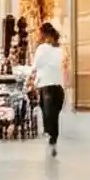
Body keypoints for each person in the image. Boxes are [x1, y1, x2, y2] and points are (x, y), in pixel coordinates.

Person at [31, 22, 69, 157]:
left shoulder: (41, 49)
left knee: (47, 114)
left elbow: (35, 66)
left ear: (44, 34)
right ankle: (53, 139)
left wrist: (31, 79)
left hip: (45, 86)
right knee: (54, 115)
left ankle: (50, 137)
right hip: (58, 87)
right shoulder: (59, 49)